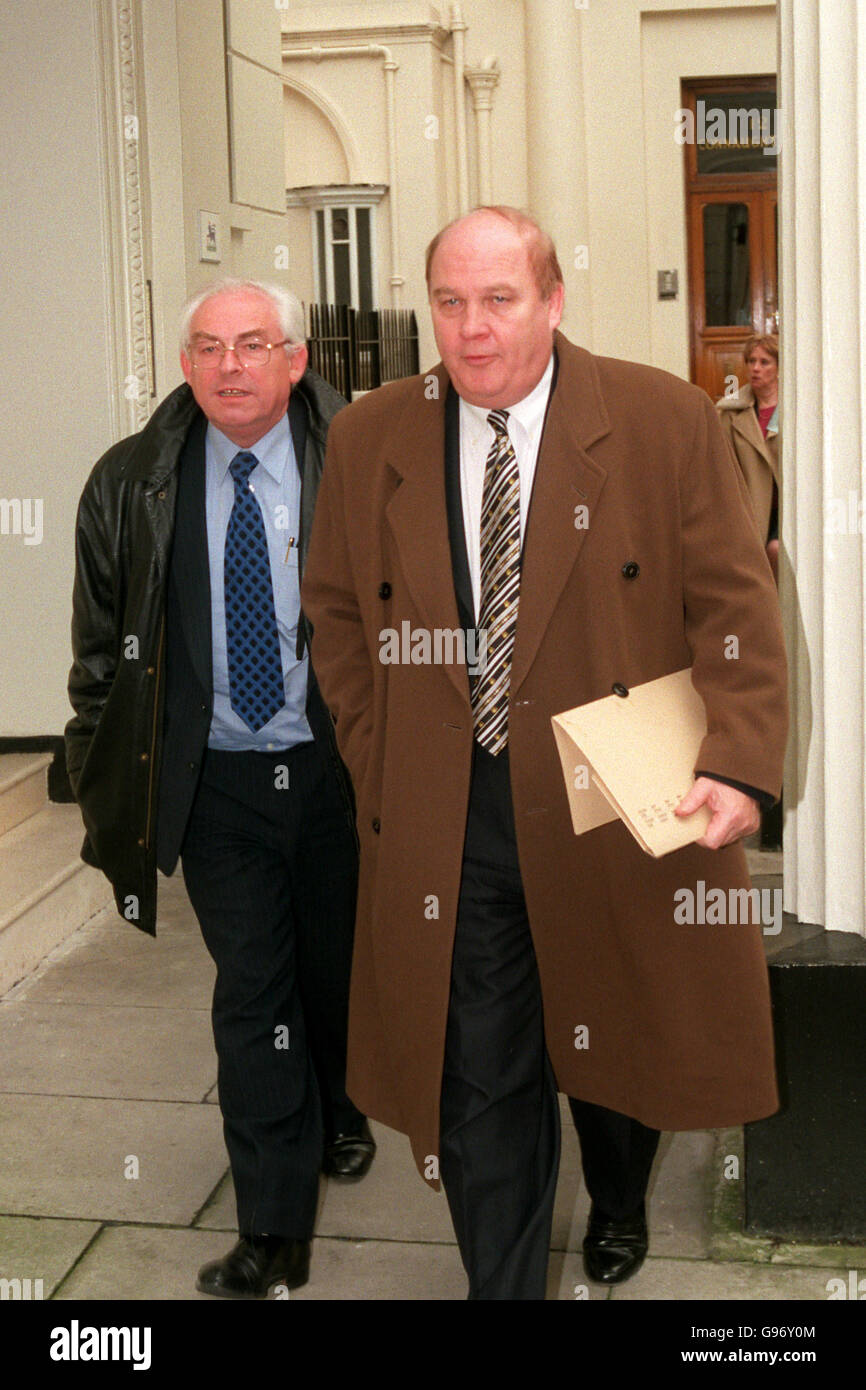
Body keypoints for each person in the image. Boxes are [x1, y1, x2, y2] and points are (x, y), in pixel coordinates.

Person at [301, 207, 788, 1301]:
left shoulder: (660, 420)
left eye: (499, 300)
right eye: (450, 302)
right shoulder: (373, 434)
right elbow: (335, 614)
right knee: (479, 1074)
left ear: (553, 302)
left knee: (615, 1037)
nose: (471, 329)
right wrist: (379, 760)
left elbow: (733, 606)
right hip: (453, 811)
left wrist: (737, 758)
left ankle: (616, 1197)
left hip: (609, 794)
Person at [66, 278, 375, 1300]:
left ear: (296, 359)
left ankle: (339, 1103)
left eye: (252, 344)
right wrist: (106, 782)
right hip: (217, 785)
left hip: (336, 771)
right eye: (208, 346)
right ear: (185, 363)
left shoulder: (363, 461)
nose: (229, 365)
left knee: (333, 975)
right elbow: (99, 660)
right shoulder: (130, 482)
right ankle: (272, 1232)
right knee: (253, 991)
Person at [715, 334, 780, 581]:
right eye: (751, 361)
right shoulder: (731, 410)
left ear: (778, 367)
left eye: (764, 362)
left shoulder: (795, 406)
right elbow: (722, 464)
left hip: (788, 506)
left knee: (776, 551)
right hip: (751, 508)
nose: (755, 368)